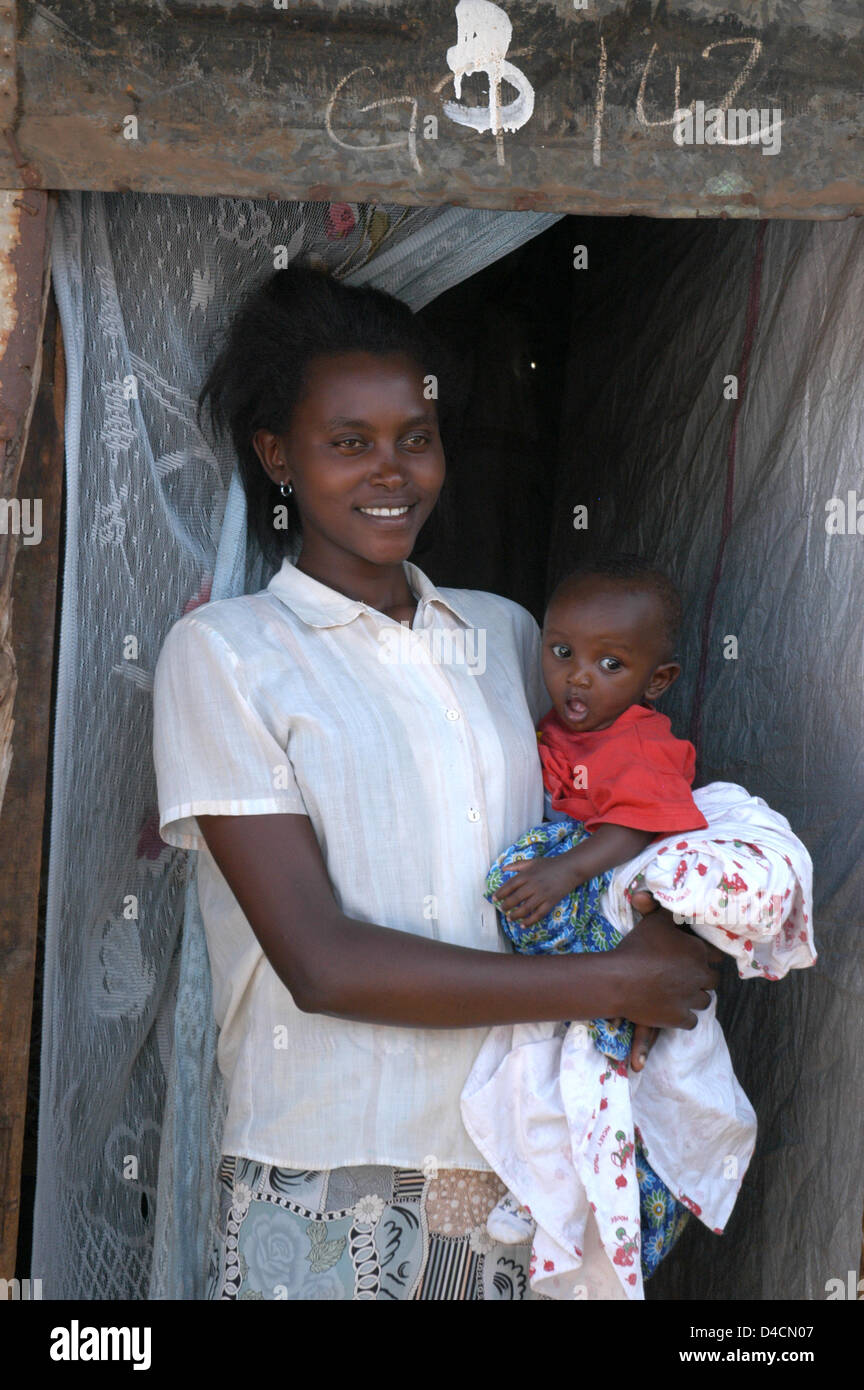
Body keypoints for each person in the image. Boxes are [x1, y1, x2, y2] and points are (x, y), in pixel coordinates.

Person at [151, 263, 721, 1302]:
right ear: (277, 455)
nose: (392, 471)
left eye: (415, 437)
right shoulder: (228, 656)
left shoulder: (506, 634)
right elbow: (319, 962)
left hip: (520, 1167)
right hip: (325, 1167)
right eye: (348, 442)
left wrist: (676, 924)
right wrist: (612, 982)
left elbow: (608, 808)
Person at [478, 557, 713, 1257]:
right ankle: (543, 1191)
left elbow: (640, 823)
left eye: (610, 663)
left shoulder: (639, 740)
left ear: (655, 680)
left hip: (603, 911)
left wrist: (561, 872)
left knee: (590, 1076)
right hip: (570, 917)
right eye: (562, 653)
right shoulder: (560, 726)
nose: (578, 676)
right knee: (536, 1067)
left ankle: (562, 1198)